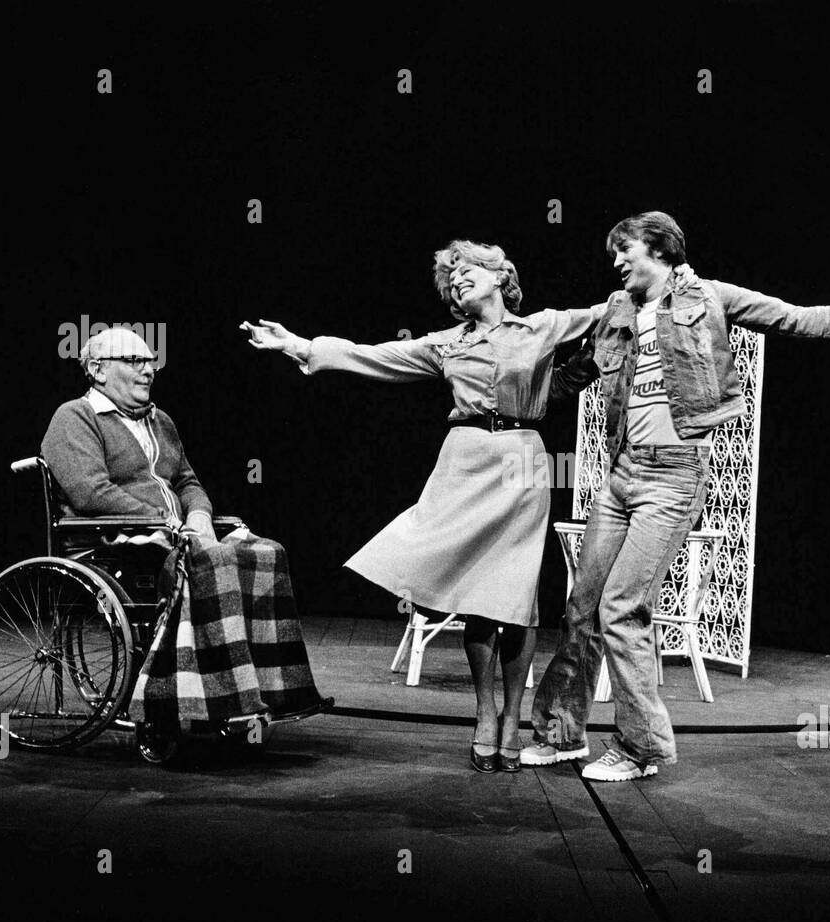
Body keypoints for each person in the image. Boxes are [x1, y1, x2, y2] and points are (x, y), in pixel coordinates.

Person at [524, 210, 830, 781]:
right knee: (581, 607)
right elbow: (578, 372)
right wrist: (512, 404)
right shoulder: (617, 312)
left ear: (661, 250)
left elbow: (795, 318)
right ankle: (562, 732)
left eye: (626, 250)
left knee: (622, 608)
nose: (616, 262)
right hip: (621, 473)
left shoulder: (711, 297)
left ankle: (640, 748)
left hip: (673, 477)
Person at [241, 240, 612, 773]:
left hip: (522, 461)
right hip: (463, 461)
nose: (458, 280)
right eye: (451, 277)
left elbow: (611, 312)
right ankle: (486, 714)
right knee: (476, 593)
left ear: (499, 276)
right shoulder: (446, 343)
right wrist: (295, 345)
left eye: (468, 271)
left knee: (516, 593)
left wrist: (662, 287)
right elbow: (370, 355)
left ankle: (514, 719)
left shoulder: (543, 327)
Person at [41, 327, 321, 743]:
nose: (148, 369)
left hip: (175, 533)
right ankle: (225, 700)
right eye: (133, 361)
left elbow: (188, 482)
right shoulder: (74, 417)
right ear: (97, 370)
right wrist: (164, 521)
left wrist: (201, 518)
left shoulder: (161, 420)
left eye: (150, 361)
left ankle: (278, 690)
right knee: (213, 560)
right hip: (112, 540)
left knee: (265, 553)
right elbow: (91, 493)